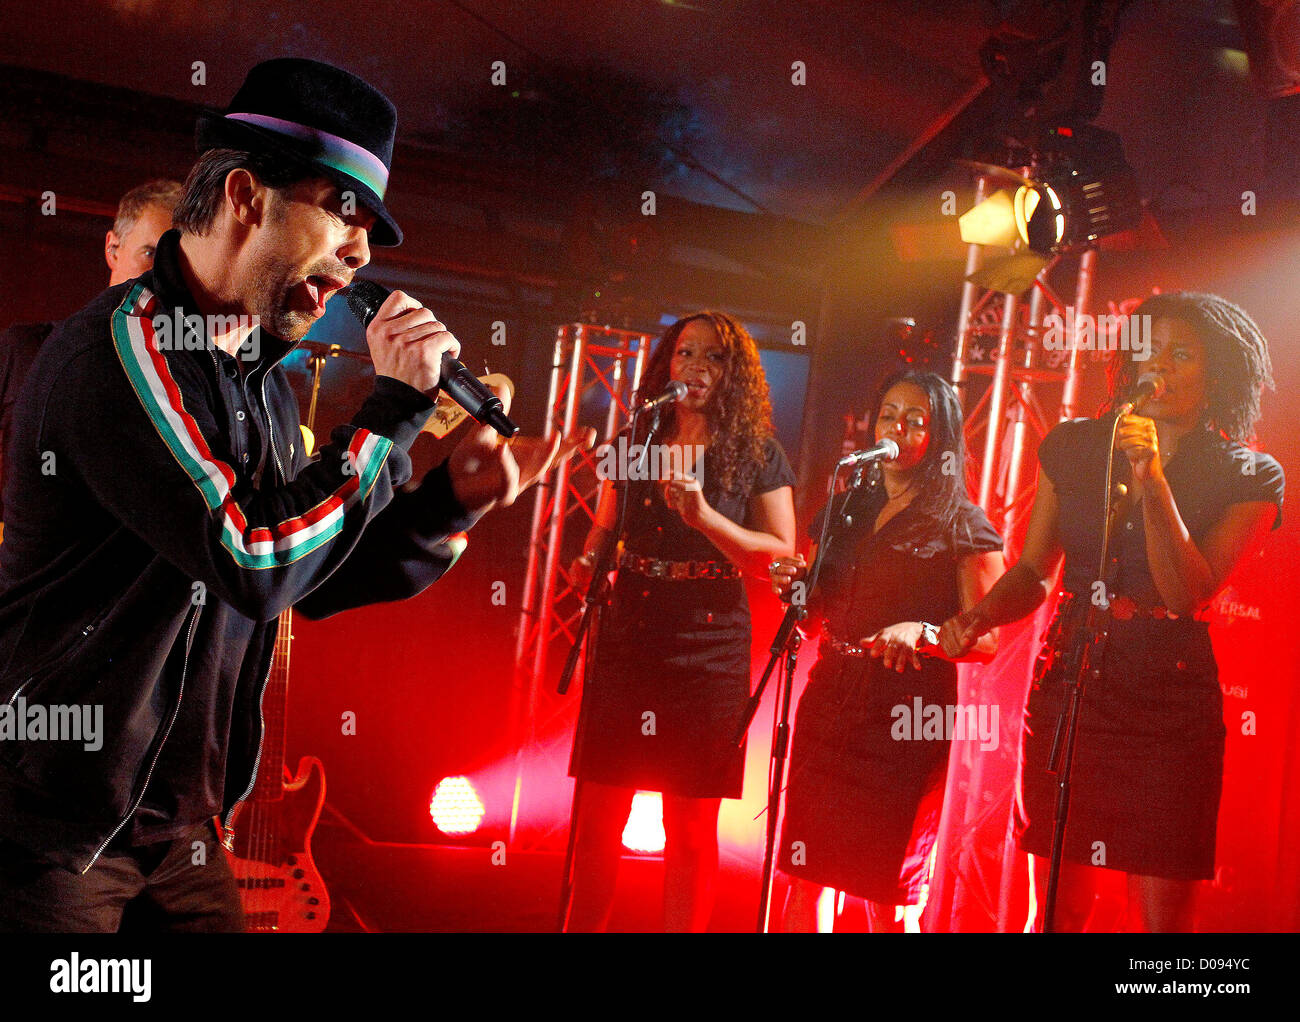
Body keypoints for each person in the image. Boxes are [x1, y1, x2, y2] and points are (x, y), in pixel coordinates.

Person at [0, 58, 583, 933]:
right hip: (58, 834)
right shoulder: (123, 356)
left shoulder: (261, 379)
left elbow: (311, 578)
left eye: (373, 232)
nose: (362, 254)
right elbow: (254, 559)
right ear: (246, 196)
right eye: (343, 211)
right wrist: (388, 413)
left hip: (181, 832)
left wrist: (443, 505)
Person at [938, 291, 1285, 932]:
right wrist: (976, 617)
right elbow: (1033, 573)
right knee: (1059, 907)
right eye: (1150, 351)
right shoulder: (1073, 448)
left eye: (1182, 355)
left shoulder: (1249, 475)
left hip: (1167, 702)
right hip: (1072, 686)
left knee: (1160, 927)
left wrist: (1151, 476)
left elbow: (1188, 594)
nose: (1161, 366)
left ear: (1217, 376)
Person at [564, 311, 796, 931]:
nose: (694, 367)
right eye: (685, 353)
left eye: (713, 357)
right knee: (597, 818)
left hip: (709, 639)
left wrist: (707, 521)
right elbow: (605, 527)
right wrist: (589, 561)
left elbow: (782, 555)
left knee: (690, 828)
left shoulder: (755, 454)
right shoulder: (637, 440)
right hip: (630, 630)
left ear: (735, 375)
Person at [769, 369, 1005, 932]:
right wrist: (795, 587)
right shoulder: (846, 510)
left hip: (906, 715)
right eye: (889, 415)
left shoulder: (964, 525)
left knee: (888, 888)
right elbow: (817, 612)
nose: (897, 428)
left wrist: (923, 630)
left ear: (940, 437)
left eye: (915, 420)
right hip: (832, 694)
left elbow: (989, 638)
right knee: (805, 871)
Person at [0, 178, 182, 527]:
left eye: (178, 261)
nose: (164, 274)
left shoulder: (187, 375)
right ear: (112, 249)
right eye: (150, 254)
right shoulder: (26, 349)